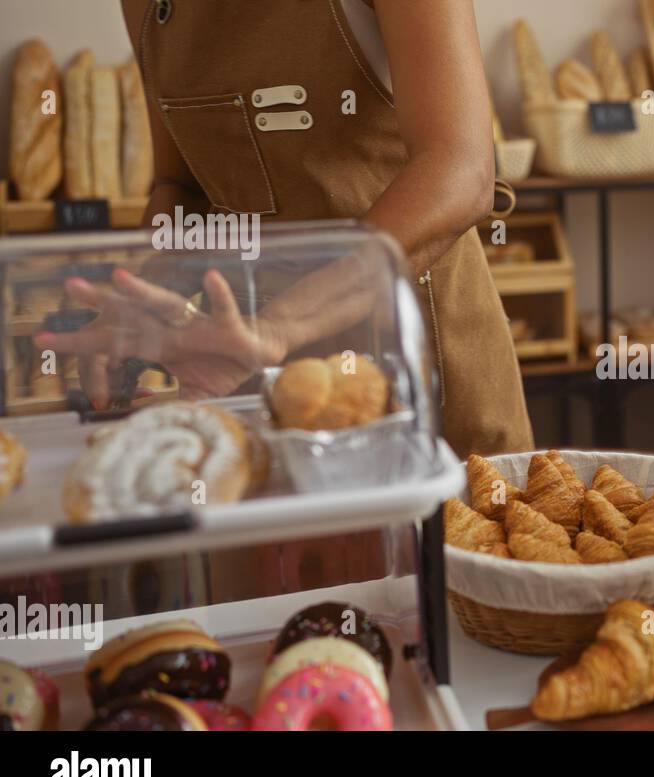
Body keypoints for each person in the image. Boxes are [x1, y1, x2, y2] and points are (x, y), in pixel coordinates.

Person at [39, 0, 534, 457]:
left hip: (417, 360)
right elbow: (182, 185)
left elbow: (462, 172)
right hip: (242, 372)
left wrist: (281, 326)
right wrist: (145, 301)